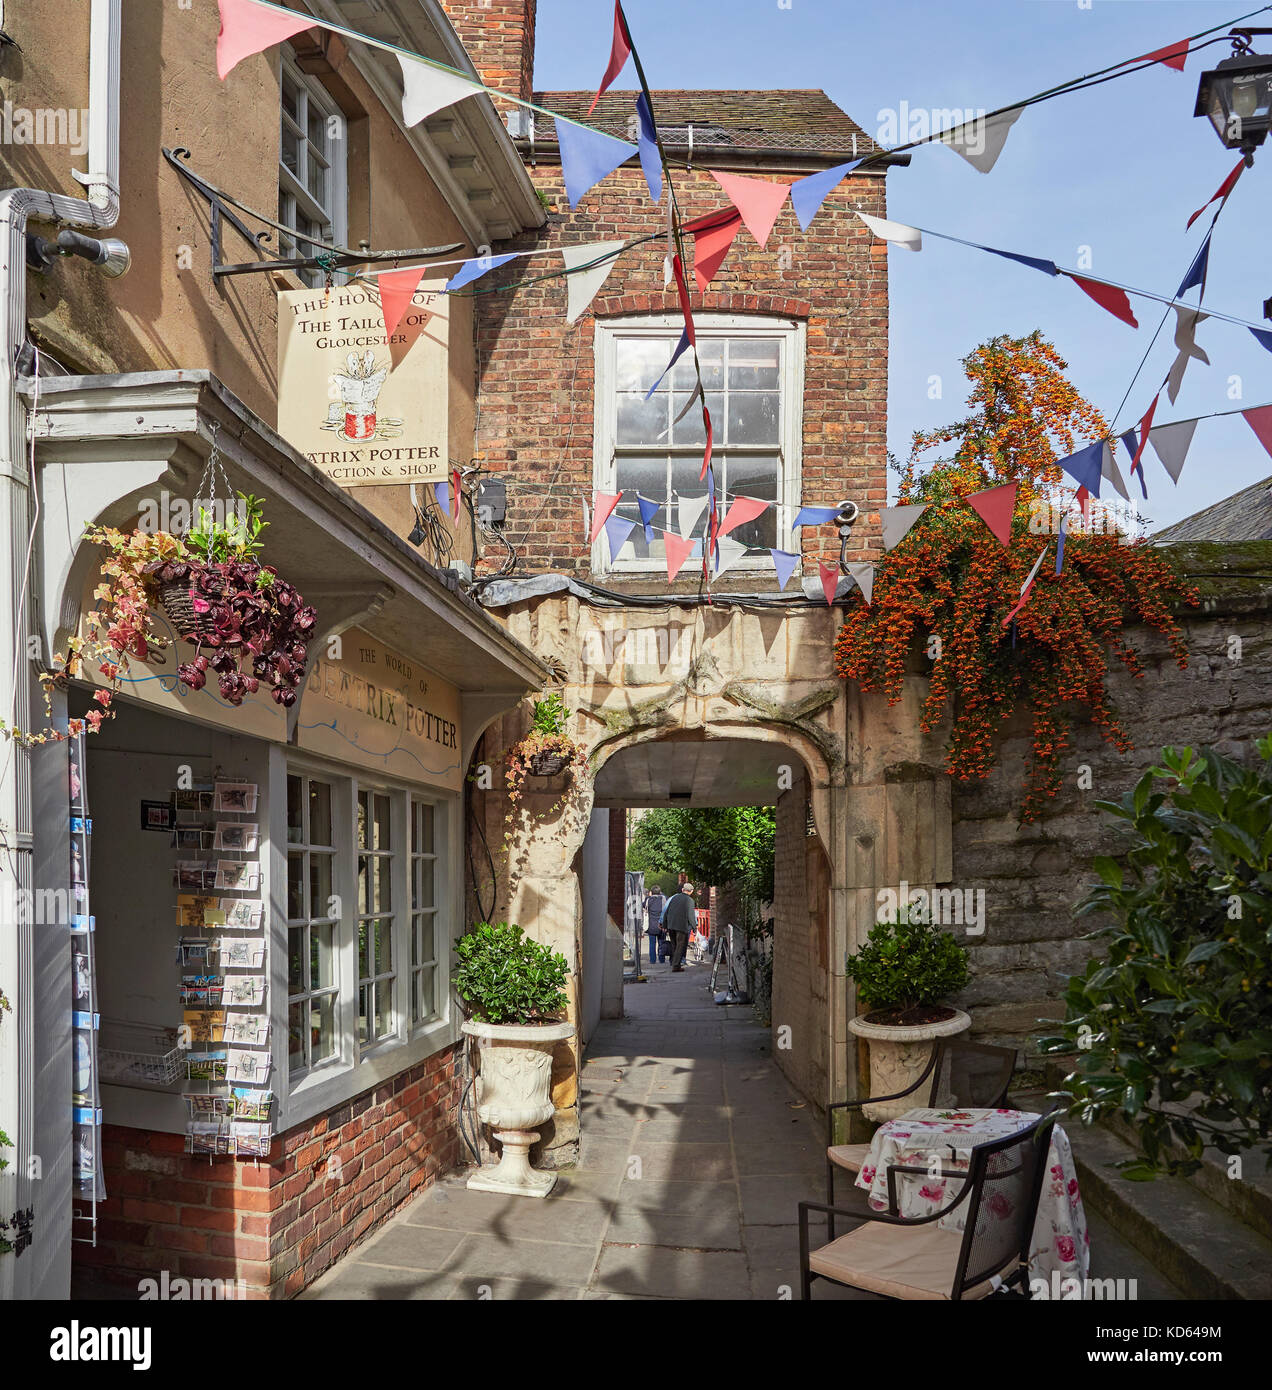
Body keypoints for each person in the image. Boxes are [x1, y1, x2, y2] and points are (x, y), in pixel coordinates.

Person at [660, 881, 697, 973]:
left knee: (674, 945)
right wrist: (694, 927)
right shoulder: (690, 900)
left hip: (671, 925)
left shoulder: (674, 898)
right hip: (681, 926)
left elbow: (667, 912)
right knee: (680, 946)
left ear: (683, 890)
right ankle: (676, 965)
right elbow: (690, 915)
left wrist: (664, 924)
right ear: (691, 891)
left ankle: (675, 963)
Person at [644, 886, 666, 965]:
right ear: (660, 892)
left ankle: (652, 960)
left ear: (651, 892)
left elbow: (644, 906)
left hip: (651, 926)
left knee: (652, 943)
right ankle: (662, 959)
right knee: (662, 943)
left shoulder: (648, 900)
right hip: (662, 925)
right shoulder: (663, 899)